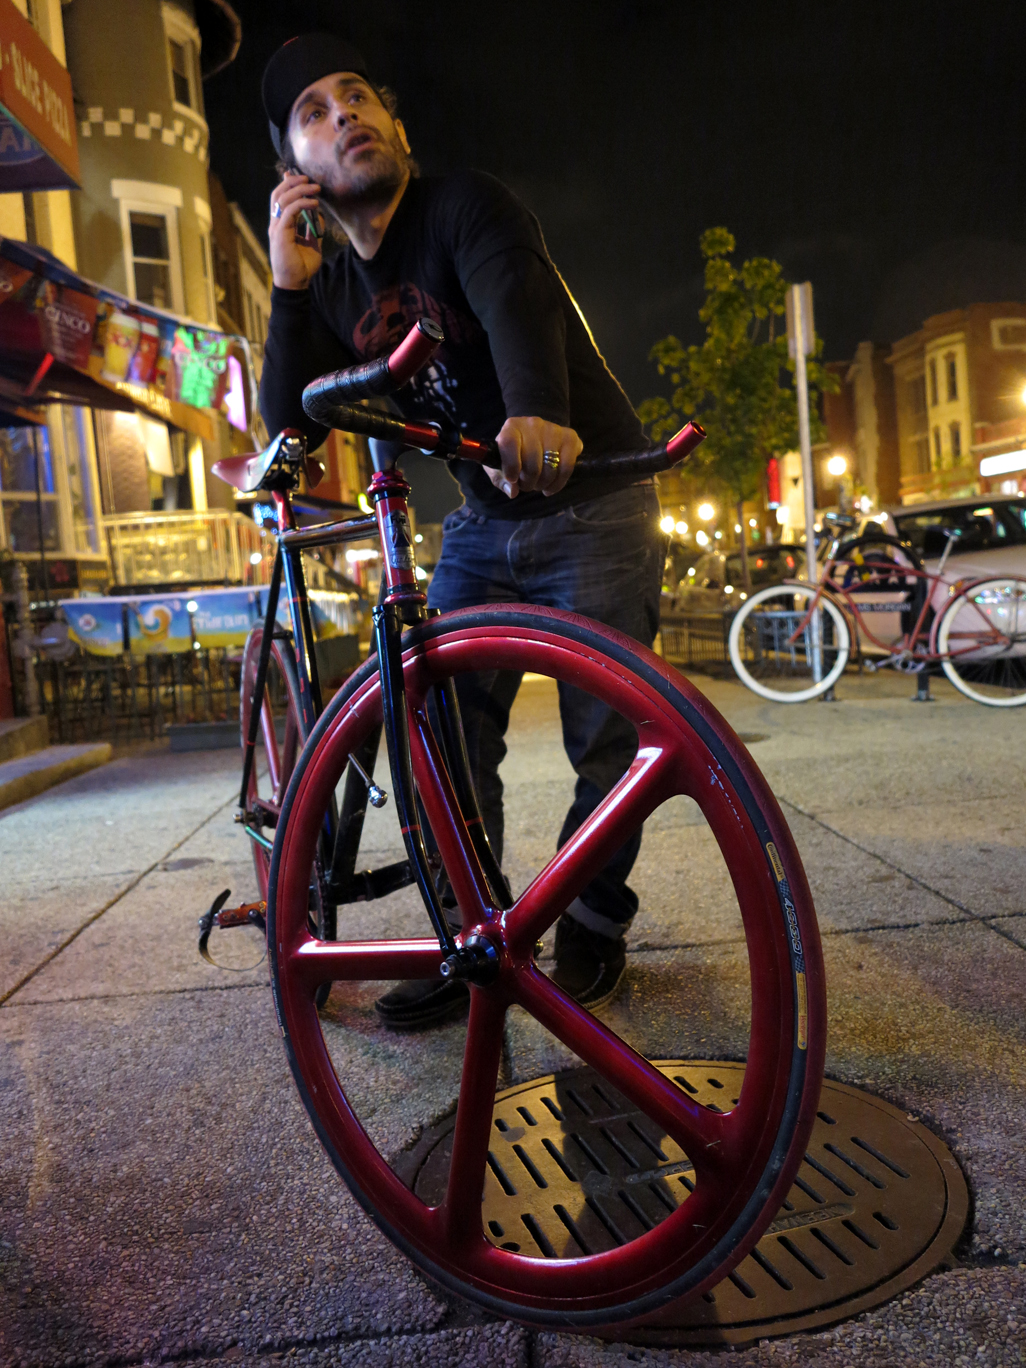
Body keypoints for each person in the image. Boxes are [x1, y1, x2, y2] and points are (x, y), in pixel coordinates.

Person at [259, 33, 664, 1028]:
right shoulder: (333, 281)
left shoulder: (464, 206)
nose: (344, 113)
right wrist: (287, 285)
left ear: (396, 124)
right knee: (431, 729)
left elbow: (513, 297)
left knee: (612, 742)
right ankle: (472, 937)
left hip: (591, 497)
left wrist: (535, 409)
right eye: (315, 111)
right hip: (484, 524)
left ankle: (592, 925)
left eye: (359, 97)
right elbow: (292, 420)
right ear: (292, 171)